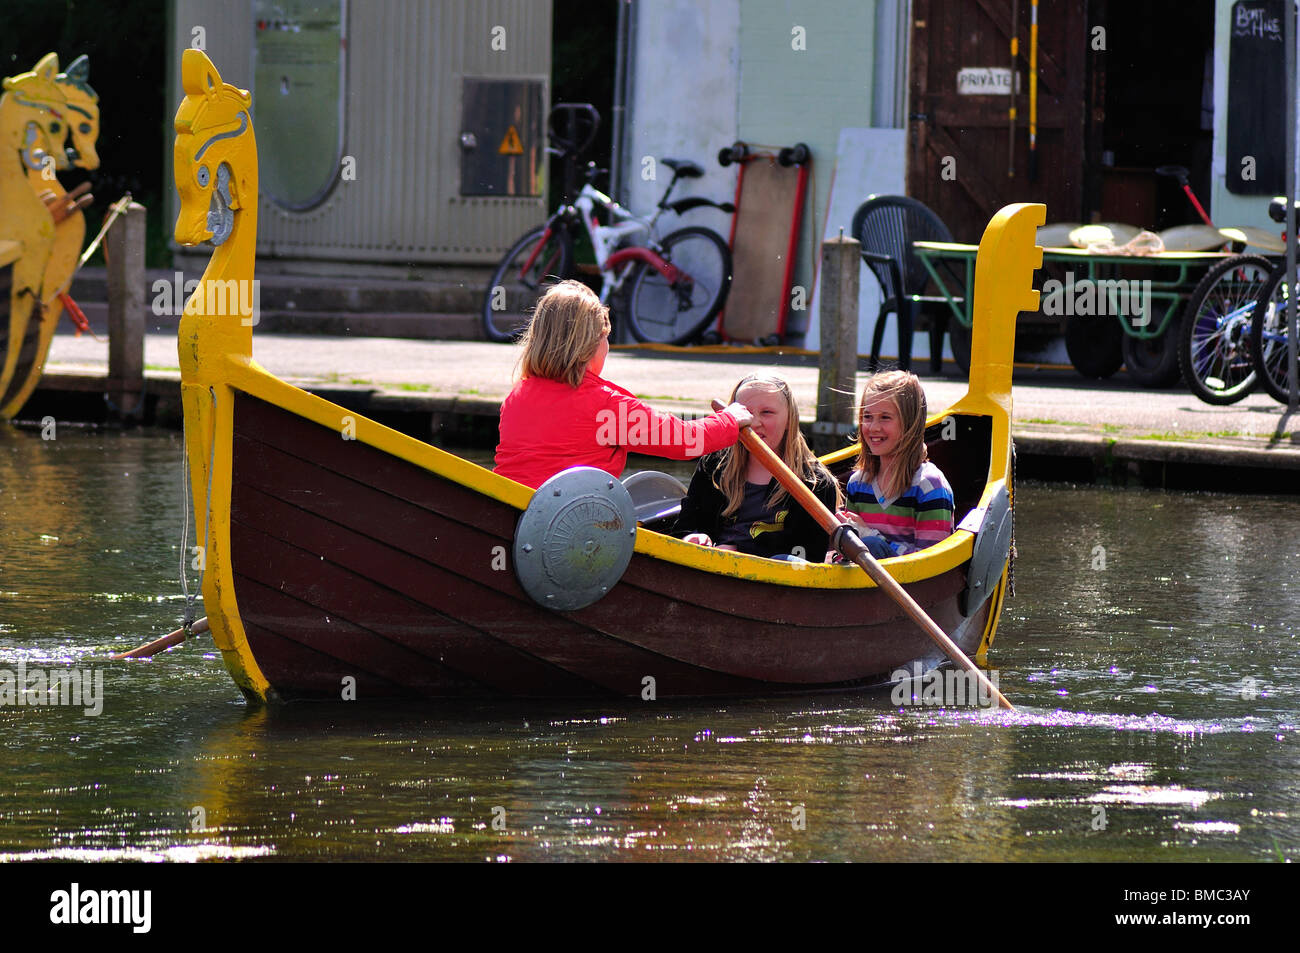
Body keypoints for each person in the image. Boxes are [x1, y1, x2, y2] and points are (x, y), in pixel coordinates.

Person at [494, 280, 751, 489]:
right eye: (605, 338)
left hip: (512, 517)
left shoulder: (516, 397)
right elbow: (685, 440)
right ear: (590, 346)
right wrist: (729, 419)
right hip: (570, 530)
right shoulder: (607, 408)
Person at [674, 372, 842, 561]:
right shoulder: (713, 465)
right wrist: (692, 537)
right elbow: (685, 524)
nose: (753, 422)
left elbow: (807, 553)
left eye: (767, 413)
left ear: (789, 420)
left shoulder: (815, 482)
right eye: (745, 412)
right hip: (709, 567)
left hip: (773, 578)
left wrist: (740, 550)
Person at [835, 370, 954, 560]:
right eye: (867, 417)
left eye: (885, 417)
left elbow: (930, 562)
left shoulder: (929, 486)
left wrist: (867, 536)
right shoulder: (857, 484)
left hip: (910, 585)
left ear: (910, 424)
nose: (873, 427)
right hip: (859, 584)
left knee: (871, 545)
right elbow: (844, 556)